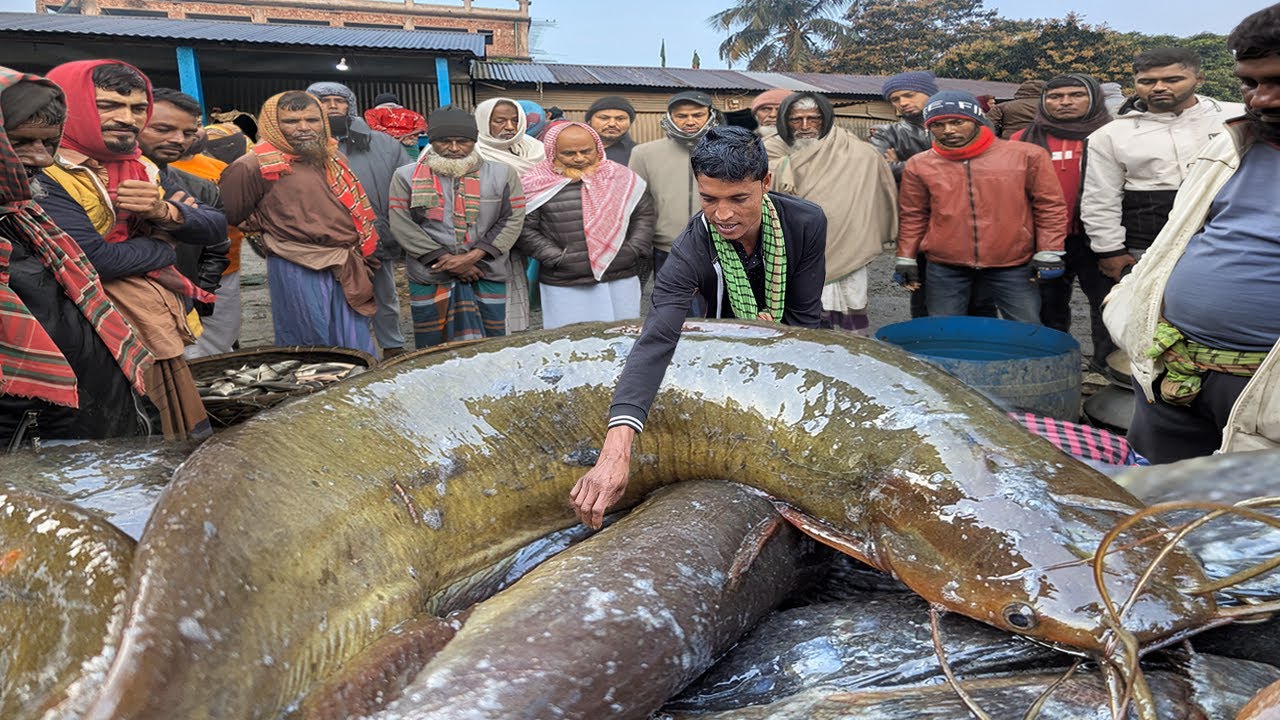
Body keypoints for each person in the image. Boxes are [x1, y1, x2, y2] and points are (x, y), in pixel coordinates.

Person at [569, 126, 826, 528]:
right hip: (720, 346)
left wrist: (775, 339)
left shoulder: (806, 222)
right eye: (709, 199)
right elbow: (656, 338)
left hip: (787, 339)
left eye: (739, 198)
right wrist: (615, 453)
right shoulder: (691, 247)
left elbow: (807, 316)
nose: (723, 215)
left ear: (765, 183)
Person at [1103, 4, 1280, 463]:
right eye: (1251, 82)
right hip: (1172, 368)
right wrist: (1132, 297)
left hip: (1267, 396)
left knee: (1247, 522)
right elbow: (1177, 238)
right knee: (1152, 510)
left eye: (1279, 82)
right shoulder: (1234, 142)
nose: (1261, 100)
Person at [42, 60, 224, 440]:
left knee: (162, 428)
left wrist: (162, 210)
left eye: (138, 108)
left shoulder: (140, 166)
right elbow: (94, 261)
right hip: (80, 333)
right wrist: (163, 247)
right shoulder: (44, 171)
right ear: (67, 107)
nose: (127, 118)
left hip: (151, 324)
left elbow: (213, 224)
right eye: (108, 105)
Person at [0, 66, 157, 447]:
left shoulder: (24, 215)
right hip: (30, 438)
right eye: (20, 142)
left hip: (85, 418)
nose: (40, 159)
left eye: (49, 143)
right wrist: (160, 248)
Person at [221, 91, 380, 356]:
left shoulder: (333, 157)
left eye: (312, 120)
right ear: (273, 124)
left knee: (355, 342)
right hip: (297, 262)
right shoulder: (253, 165)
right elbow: (229, 214)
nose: (304, 128)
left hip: (347, 260)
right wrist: (264, 228)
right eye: (292, 121)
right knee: (309, 345)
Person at [895, 91, 1067, 324]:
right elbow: (914, 214)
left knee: (1026, 326)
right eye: (938, 124)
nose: (948, 130)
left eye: (957, 121)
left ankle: (1025, 362)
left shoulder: (1026, 156)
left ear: (976, 119)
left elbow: (1049, 206)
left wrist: (1049, 250)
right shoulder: (920, 164)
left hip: (1012, 263)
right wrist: (906, 258)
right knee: (943, 329)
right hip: (945, 265)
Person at [1082, 47, 1246, 281]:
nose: (1158, 87)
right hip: (1148, 245)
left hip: (1231, 241)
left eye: (1173, 79)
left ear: (1198, 79)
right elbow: (1099, 197)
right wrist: (1109, 251)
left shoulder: (1236, 119)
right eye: (1147, 81)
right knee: (1148, 314)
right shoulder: (1109, 135)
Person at [388, 105, 525, 348]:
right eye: (443, 141)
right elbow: (401, 223)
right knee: (433, 348)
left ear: (474, 141)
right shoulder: (405, 176)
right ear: (431, 141)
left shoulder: (503, 174)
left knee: (491, 345)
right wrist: (448, 261)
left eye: (462, 141)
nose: (453, 148)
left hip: (485, 269)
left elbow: (512, 219)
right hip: (430, 273)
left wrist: (473, 257)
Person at [765, 92, 897, 334]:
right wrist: (785, 166)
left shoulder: (859, 153)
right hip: (793, 252)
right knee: (796, 322)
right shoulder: (769, 150)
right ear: (785, 121)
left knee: (849, 319)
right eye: (796, 120)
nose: (805, 126)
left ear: (825, 119)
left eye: (813, 118)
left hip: (849, 247)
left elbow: (878, 195)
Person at [1012, 74, 1117, 369]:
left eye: (1076, 94)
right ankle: (1054, 364)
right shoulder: (1021, 139)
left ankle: (1106, 366)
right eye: (1056, 96)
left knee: (1108, 307)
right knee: (1048, 307)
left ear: (1095, 98)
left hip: (1098, 239)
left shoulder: (1113, 134)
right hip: (1042, 240)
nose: (1065, 101)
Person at [308, 81, 412, 360]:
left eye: (338, 101)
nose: (332, 106)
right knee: (333, 297)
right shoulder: (301, 146)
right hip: (325, 239)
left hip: (376, 234)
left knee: (384, 295)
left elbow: (404, 185)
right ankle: (344, 354)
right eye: (325, 100)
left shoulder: (382, 144)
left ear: (349, 105)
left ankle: (393, 348)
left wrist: (392, 229)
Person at [517, 122, 654, 328]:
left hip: (620, 273)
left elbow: (643, 216)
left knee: (622, 336)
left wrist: (632, 250)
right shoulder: (534, 183)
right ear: (552, 152)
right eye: (569, 153)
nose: (579, 158)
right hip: (565, 280)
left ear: (598, 149)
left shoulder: (622, 178)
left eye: (586, 151)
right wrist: (556, 257)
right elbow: (525, 229)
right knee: (569, 341)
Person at [137, 88, 232, 357]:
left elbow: (216, 245)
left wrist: (200, 291)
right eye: (163, 129)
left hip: (181, 302)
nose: (178, 140)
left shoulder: (200, 188)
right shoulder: (101, 181)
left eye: (188, 133)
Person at [628, 90, 719, 280]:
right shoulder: (644, 153)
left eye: (698, 115)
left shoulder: (730, 150)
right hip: (666, 249)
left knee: (716, 307)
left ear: (710, 115)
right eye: (681, 116)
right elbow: (636, 204)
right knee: (672, 307)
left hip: (720, 247)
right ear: (669, 117)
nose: (690, 121)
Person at [172, 126, 246, 357]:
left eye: (195, 125)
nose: (191, 133)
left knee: (223, 330)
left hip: (226, 266)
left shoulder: (220, 169)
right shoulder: (156, 171)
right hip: (178, 271)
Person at [474, 97, 545, 334]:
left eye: (515, 120)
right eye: (500, 121)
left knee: (515, 300)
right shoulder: (471, 151)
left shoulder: (534, 149)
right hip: (477, 244)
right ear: (484, 122)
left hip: (521, 240)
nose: (510, 127)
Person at [868, 71, 938, 183]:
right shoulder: (886, 133)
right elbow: (880, 169)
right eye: (895, 100)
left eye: (909, 95)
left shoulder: (955, 127)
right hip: (907, 199)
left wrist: (900, 165)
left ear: (930, 94)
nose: (903, 103)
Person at [362, 91, 428, 154]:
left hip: (385, 145)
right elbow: (422, 128)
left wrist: (393, 136)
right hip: (409, 145)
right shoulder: (413, 114)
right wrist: (405, 135)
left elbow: (375, 127)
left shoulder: (371, 113)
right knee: (411, 164)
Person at [585, 95, 638, 165]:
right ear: (589, 121)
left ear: (630, 122)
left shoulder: (638, 153)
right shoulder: (573, 147)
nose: (612, 124)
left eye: (620, 119)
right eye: (604, 118)